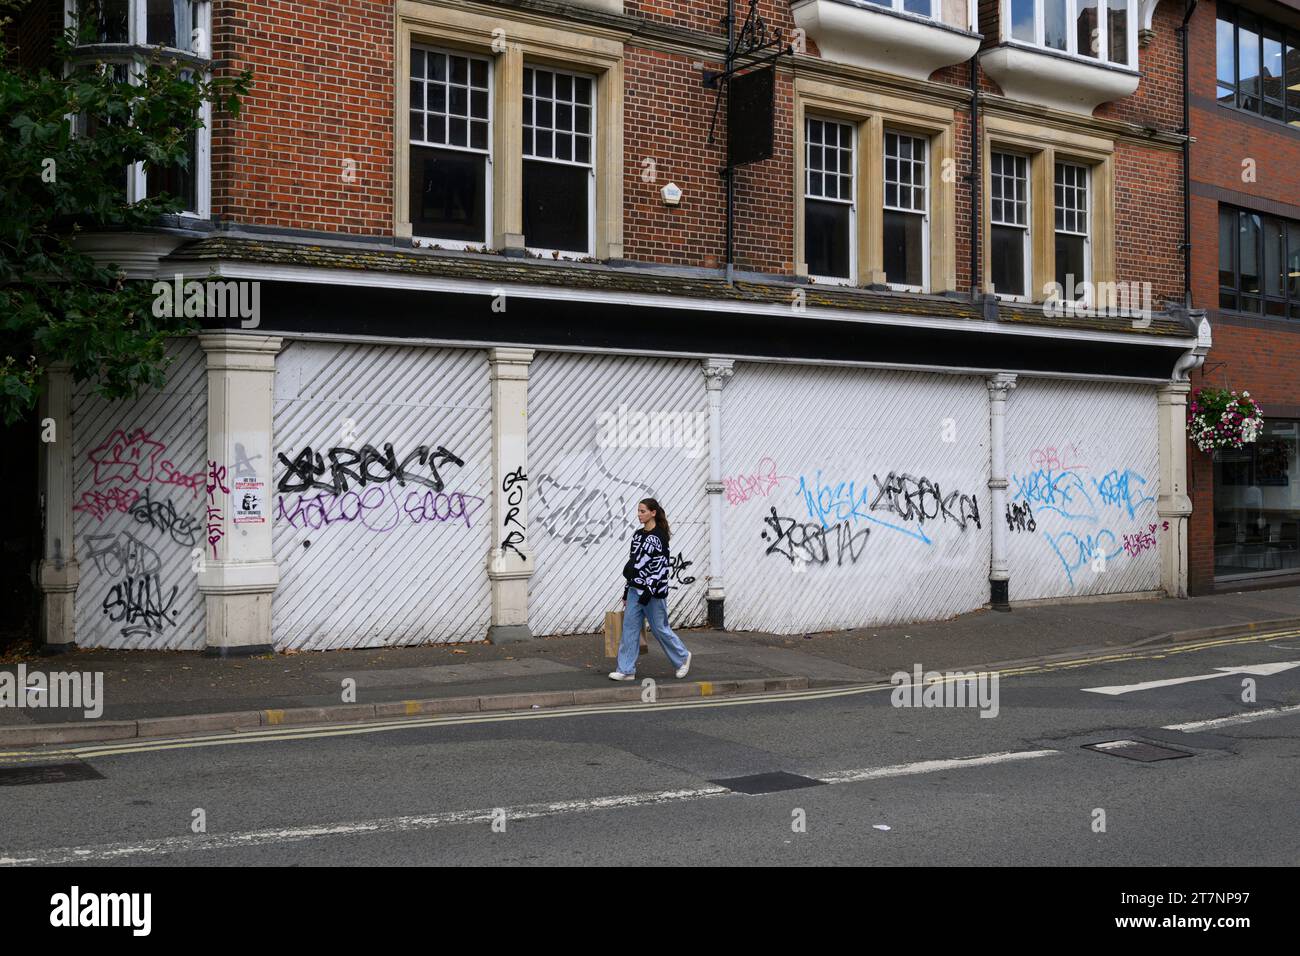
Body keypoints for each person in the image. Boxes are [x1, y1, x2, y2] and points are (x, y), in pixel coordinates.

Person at [609, 498, 692, 682]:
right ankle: (626, 669)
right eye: (638, 511)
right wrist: (626, 591)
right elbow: (633, 565)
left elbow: (661, 567)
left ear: (653, 513)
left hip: (653, 593)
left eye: (643, 511)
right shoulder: (637, 535)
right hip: (634, 590)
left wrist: (649, 590)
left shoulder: (660, 537)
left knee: (660, 629)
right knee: (629, 629)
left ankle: (682, 657)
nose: (639, 514)